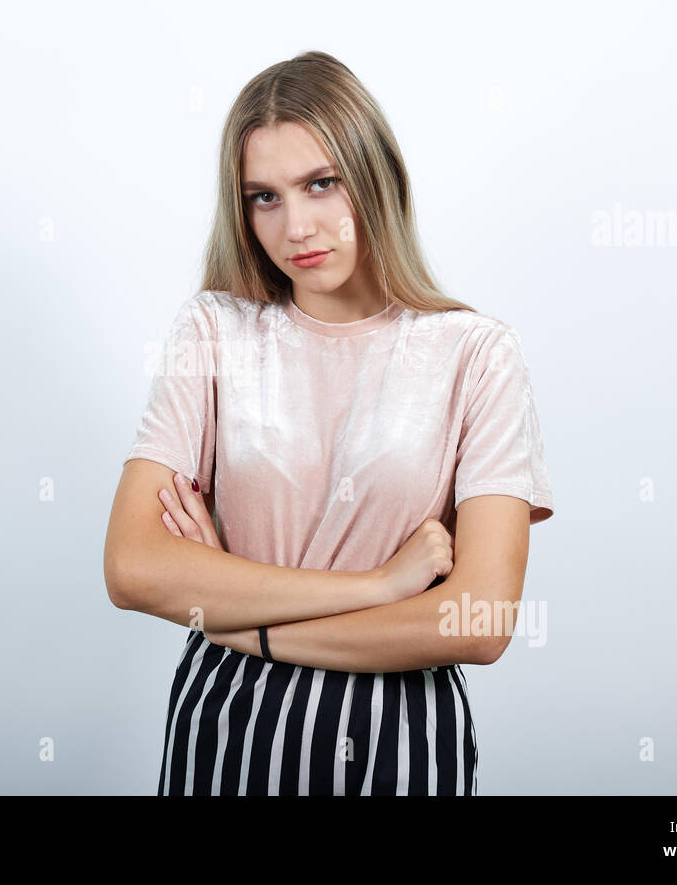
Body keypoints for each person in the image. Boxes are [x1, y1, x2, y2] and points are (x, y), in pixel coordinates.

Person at [103, 50, 555, 795]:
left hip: (398, 739)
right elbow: (133, 569)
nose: (297, 226)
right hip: (228, 730)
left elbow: (476, 621)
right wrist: (380, 585)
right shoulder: (215, 331)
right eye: (265, 198)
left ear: (374, 176)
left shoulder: (476, 353)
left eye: (321, 183)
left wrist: (232, 619)